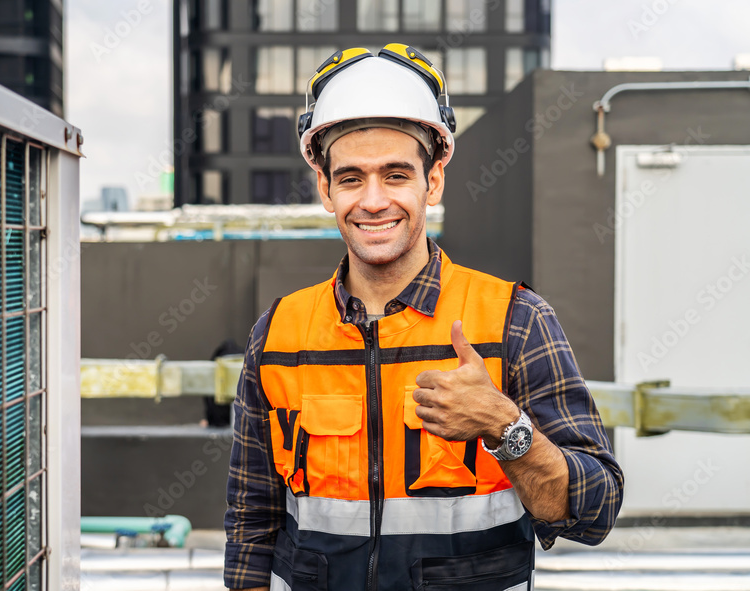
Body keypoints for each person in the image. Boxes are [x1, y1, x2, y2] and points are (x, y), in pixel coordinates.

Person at [224, 44, 623, 591]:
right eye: (350, 178)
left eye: (395, 175)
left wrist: (506, 428)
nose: (372, 201)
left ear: (432, 180)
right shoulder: (278, 333)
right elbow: (251, 521)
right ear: (325, 188)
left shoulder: (515, 321)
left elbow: (595, 510)